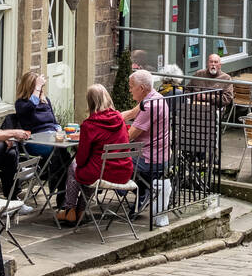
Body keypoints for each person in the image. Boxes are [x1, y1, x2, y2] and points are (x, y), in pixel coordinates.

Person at [56, 84, 133, 225]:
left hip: (103, 173)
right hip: (124, 172)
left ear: (90, 102)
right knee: (89, 170)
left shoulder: (89, 125)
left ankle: (69, 210)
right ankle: (80, 210)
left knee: (75, 167)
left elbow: (82, 158)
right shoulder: (119, 119)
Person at [122, 68, 171, 223]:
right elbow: (131, 113)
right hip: (158, 154)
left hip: (149, 158)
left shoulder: (150, 106)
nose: (129, 90)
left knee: (111, 163)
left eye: (131, 86)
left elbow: (129, 137)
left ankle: (142, 191)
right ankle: (143, 191)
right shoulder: (155, 97)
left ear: (141, 88)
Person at [13, 69, 70, 202]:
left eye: (41, 87)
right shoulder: (22, 104)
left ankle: (61, 191)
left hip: (52, 138)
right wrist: (37, 88)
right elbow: (30, 107)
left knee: (64, 152)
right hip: (34, 142)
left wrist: (59, 130)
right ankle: (61, 192)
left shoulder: (46, 101)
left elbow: (54, 122)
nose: (40, 90)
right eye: (37, 87)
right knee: (61, 152)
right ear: (30, 88)